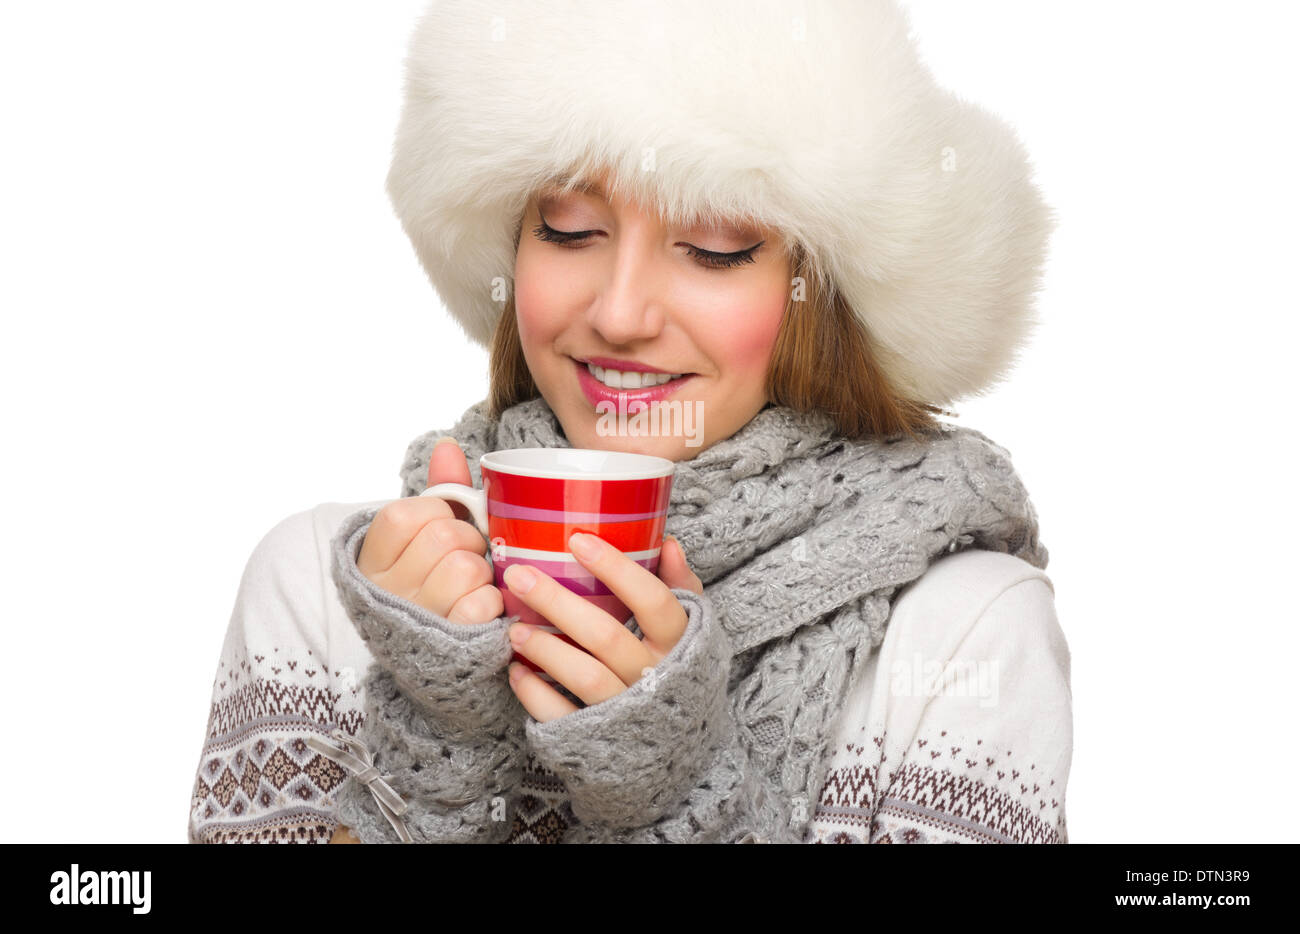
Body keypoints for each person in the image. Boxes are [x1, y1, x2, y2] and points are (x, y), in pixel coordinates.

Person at [187, 0, 1071, 844]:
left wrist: (680, 799)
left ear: (821, 297)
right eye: (569, 229)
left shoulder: (961, 634)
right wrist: (433, 743)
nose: (618, 314)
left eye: (714, 248)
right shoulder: (323, 590)